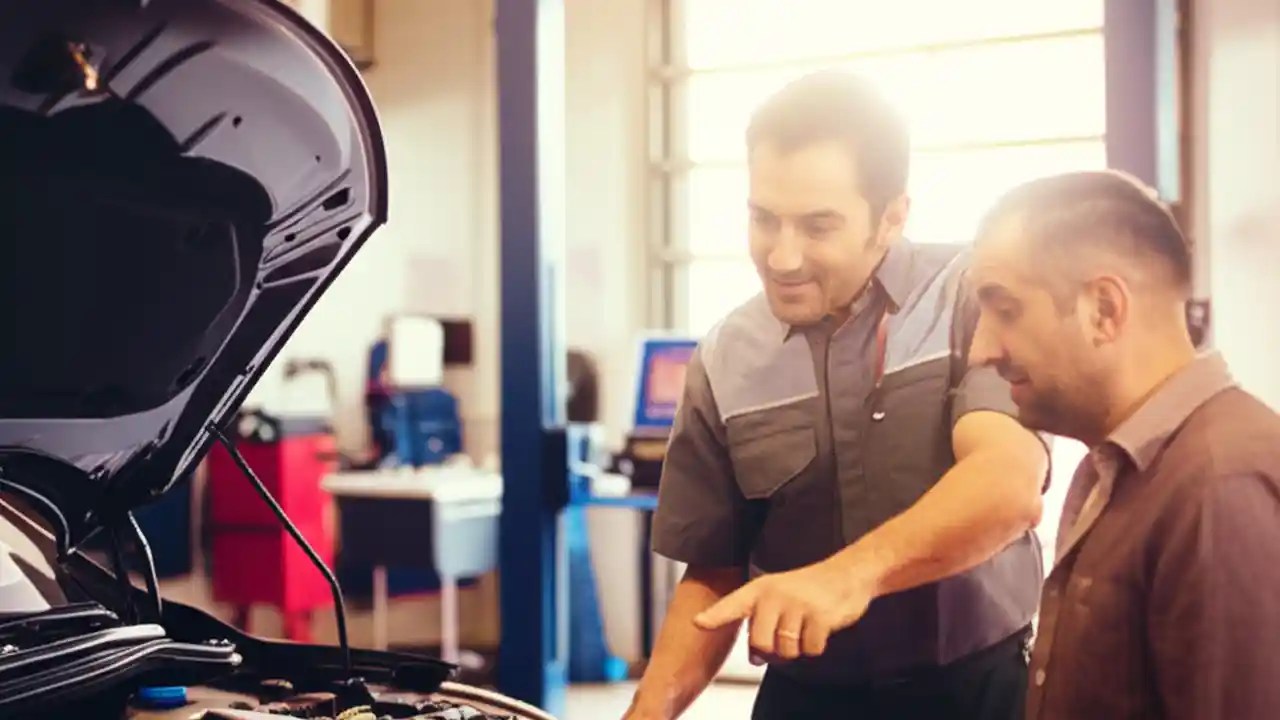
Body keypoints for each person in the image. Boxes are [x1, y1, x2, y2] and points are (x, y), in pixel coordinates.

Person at [625, 71, 1051, 720]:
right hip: (805, 700)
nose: (782, 257)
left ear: (892, 217)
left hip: (976, 692)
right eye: (763, 219)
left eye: (817, 226)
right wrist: (644, 716)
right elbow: (714, 570)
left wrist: (844, 579)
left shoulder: (969, 299)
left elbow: (1007, 484)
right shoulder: (725, 358)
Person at [965, 170, 1280, 719]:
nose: (980, 350)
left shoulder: (1218, 487)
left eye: (1006, 311)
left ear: (1104, 310)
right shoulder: (1117, 466)